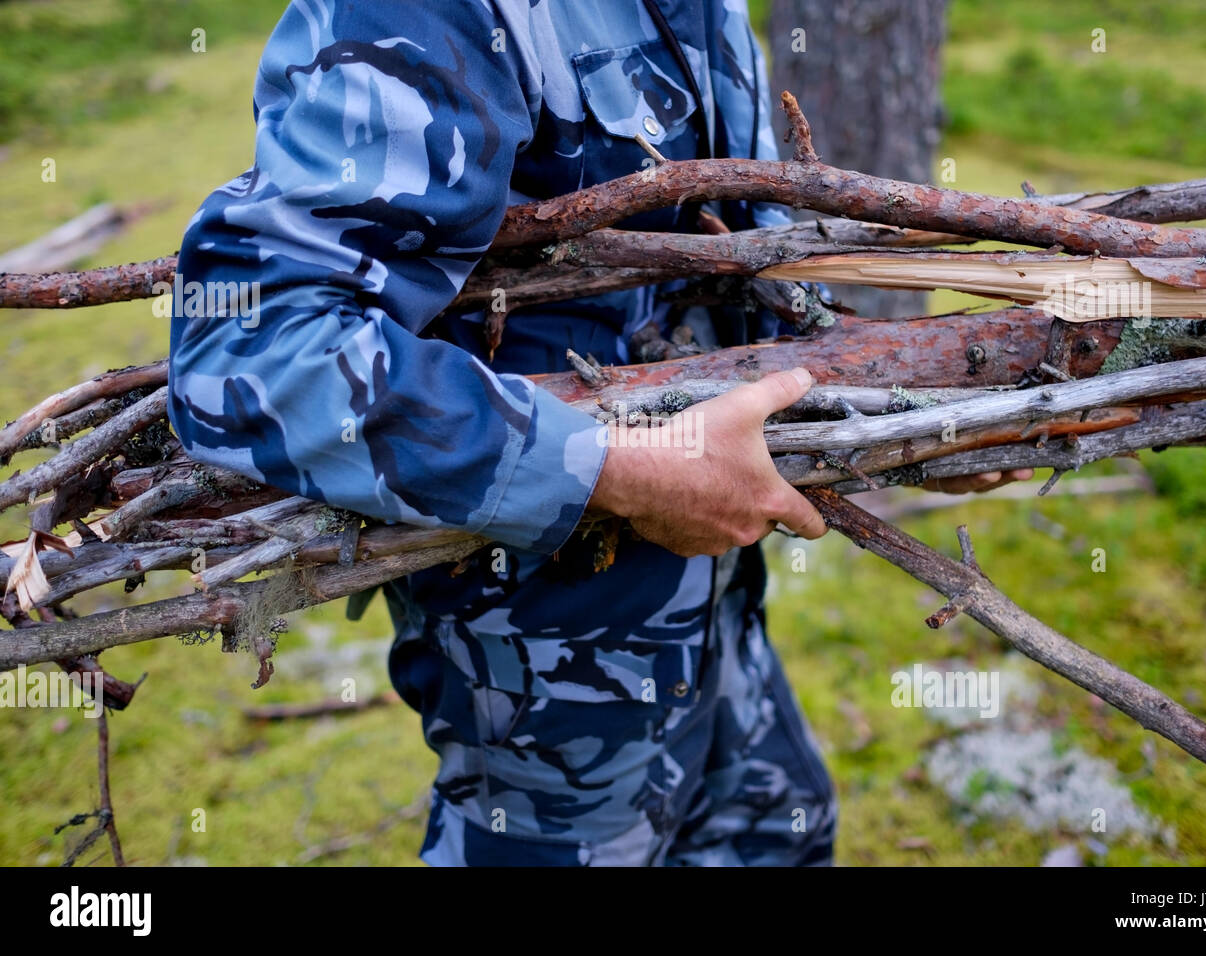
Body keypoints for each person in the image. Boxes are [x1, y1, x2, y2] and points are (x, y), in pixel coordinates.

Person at [168, 0, 1029, 866]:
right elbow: (257, 342)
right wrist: (620, 472)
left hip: (718, 610)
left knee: (780, 836)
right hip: (542, 654)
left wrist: (902, 428)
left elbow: (740, 276)